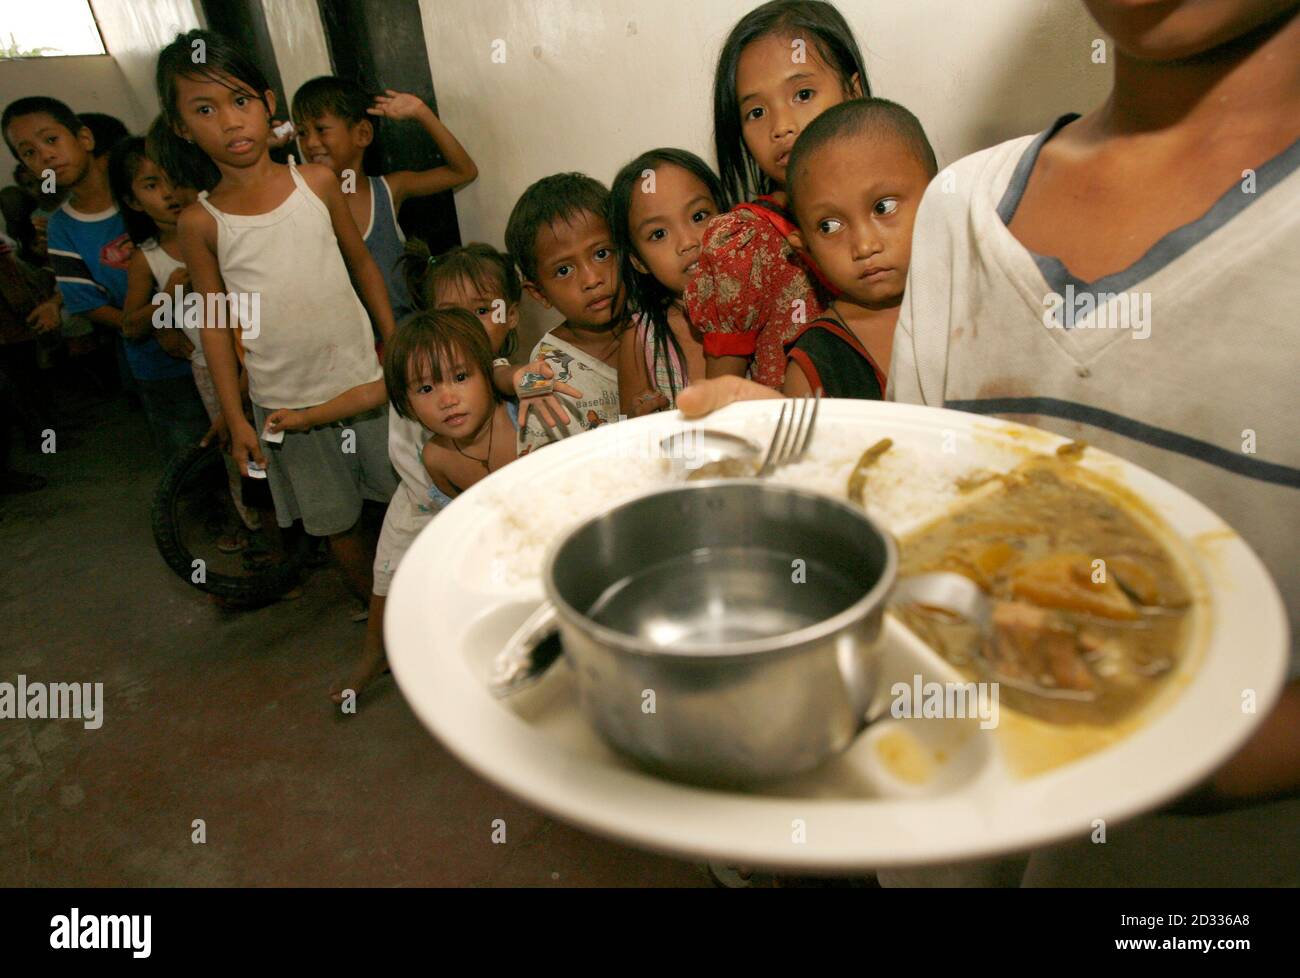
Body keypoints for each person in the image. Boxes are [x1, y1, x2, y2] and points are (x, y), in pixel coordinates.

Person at [679, 0, 1300, 886]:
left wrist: (1142, 742)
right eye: (831, 224)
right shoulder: (959, 211)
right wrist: (817, 480)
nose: (862, 240)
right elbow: (926, 525)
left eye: (880, 207)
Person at [160, 29, 398, 606]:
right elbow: (215, 324)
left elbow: (362, 264)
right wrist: (236, 415)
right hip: (285, 404)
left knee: (405, 493)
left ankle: (423, 600)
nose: (230, 121)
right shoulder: (201, 222)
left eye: (240, 100)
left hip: (363, 381)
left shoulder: (316, 182)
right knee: (335, 520)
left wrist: (393, 342)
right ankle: (376, 613)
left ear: (268, 102)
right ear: (181, 127)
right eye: (205, 110)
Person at [685, 0, 868, 388]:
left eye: (803, 94)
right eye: (756, 112)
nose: (782, 126)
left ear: (853, 92)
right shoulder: (745, 245)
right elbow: (722, 399)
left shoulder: (898, 211)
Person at [3, 96, 197, 459]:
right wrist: (156, 325)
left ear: (85, 138)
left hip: (219, 336)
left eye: (51, 140)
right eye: (29, 152)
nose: (45, 156)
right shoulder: (62, 227)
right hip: (157, 360)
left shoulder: (148, 186)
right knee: (189, 453)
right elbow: (86, 304)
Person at [779, 97, 937, 398]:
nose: (864, 246)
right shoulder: (816, 366)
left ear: (938, 199)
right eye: (829, 226)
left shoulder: (983, 304)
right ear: (806, 249)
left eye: (883, 207)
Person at [292, 76, 477, 325]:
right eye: (302, 133)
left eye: (321, 129)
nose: (311, 143)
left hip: (403, 335)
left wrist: (421, 113)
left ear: (362, 134)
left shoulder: (388, 190)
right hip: (348, 341)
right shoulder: (301, 202)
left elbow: (463, 171)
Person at [106, 136, 211, 463]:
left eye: (173, 177)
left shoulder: (217, 231)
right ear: (133, 201)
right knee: (201, 452)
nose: (168, 192)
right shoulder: (147, 258)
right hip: (195, 368)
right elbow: (131, 326)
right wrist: (169, 297)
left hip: (246, 357)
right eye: (152, 185)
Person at [503, 172, 624, 453]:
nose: (592, 279)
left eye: (602, 254)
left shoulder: (657, 321)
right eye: (564, 270)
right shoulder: (545, 372)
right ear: (539, 293)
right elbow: (542, 468)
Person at [609, 148, 725, 414]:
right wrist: (640, 418)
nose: (688, 242)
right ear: (638, 260)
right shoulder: (640, 340)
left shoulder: (764, 307)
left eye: (699, 216)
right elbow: (628, 429)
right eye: (659, 234)